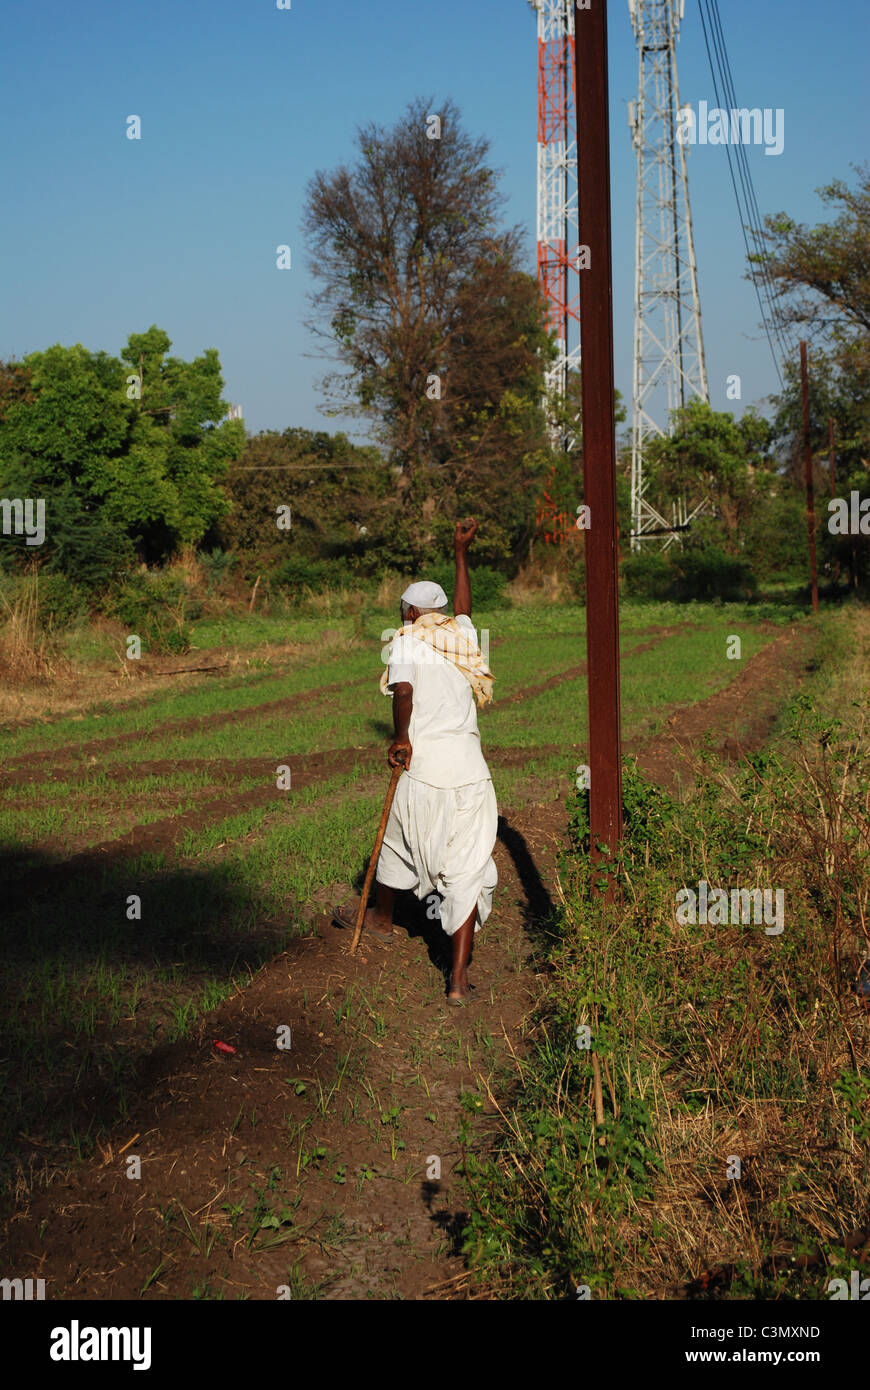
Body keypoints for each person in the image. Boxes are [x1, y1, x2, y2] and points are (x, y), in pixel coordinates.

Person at [334, 519, 497, 1004]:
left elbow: (402, 689)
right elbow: (465, 607)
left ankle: (382, 919)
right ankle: (458, 981)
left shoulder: (407, 640)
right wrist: (460, 552)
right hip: (470, 773)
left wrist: (400, 736)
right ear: (441, 611)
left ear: (409, 611)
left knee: (397, 840)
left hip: (424, 769)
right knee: (466, 868)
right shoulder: (461, 635)